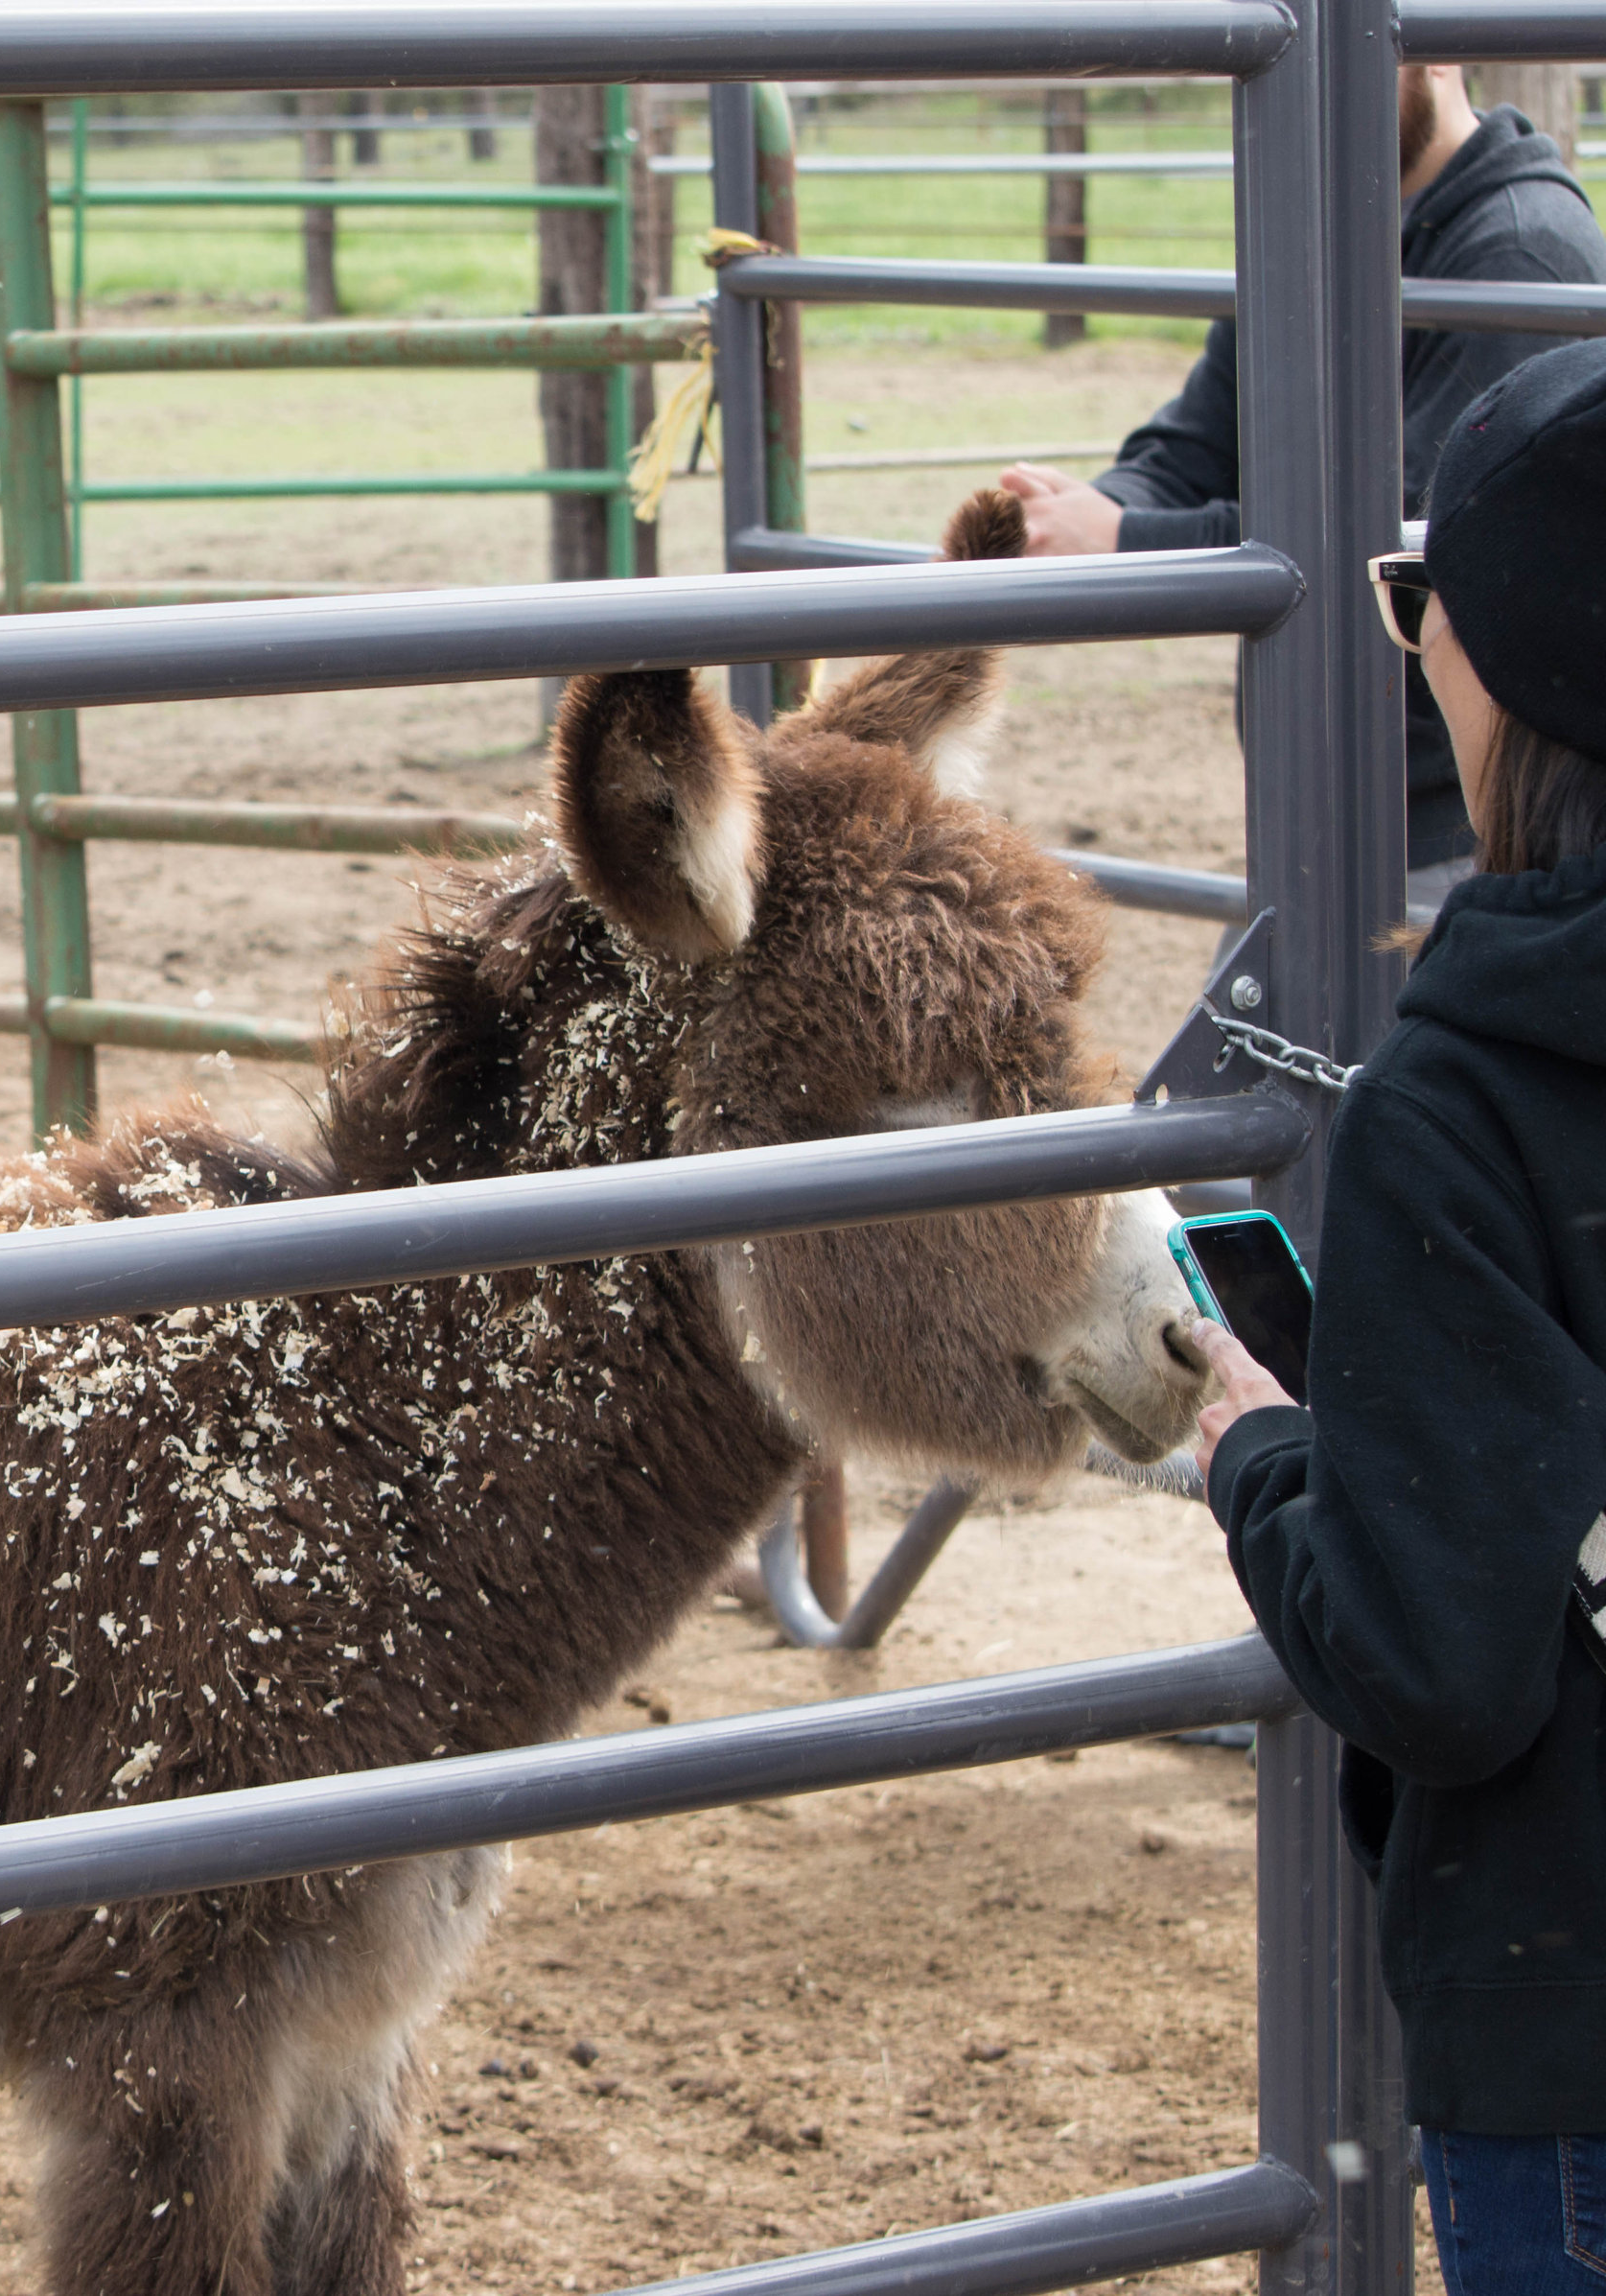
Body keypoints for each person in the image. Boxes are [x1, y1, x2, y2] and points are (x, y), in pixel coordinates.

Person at [1189, 337, 1606, 2296]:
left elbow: (1442, 1661)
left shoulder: (1476, 1093)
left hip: (1570, 1997)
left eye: (1420, 598)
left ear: (1512, 657)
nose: (1407, 639)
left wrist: (1263, 1462)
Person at [998, 65, 1606, 900]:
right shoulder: (1308, 220)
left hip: (1445, 820)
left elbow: (1423, 540)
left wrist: (1122, 540)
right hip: (1332, 790)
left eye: (1346, 52)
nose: (1312, 86)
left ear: (1430, 46)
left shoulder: (1516, 251)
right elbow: (1195, 442)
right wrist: (1092, 513)